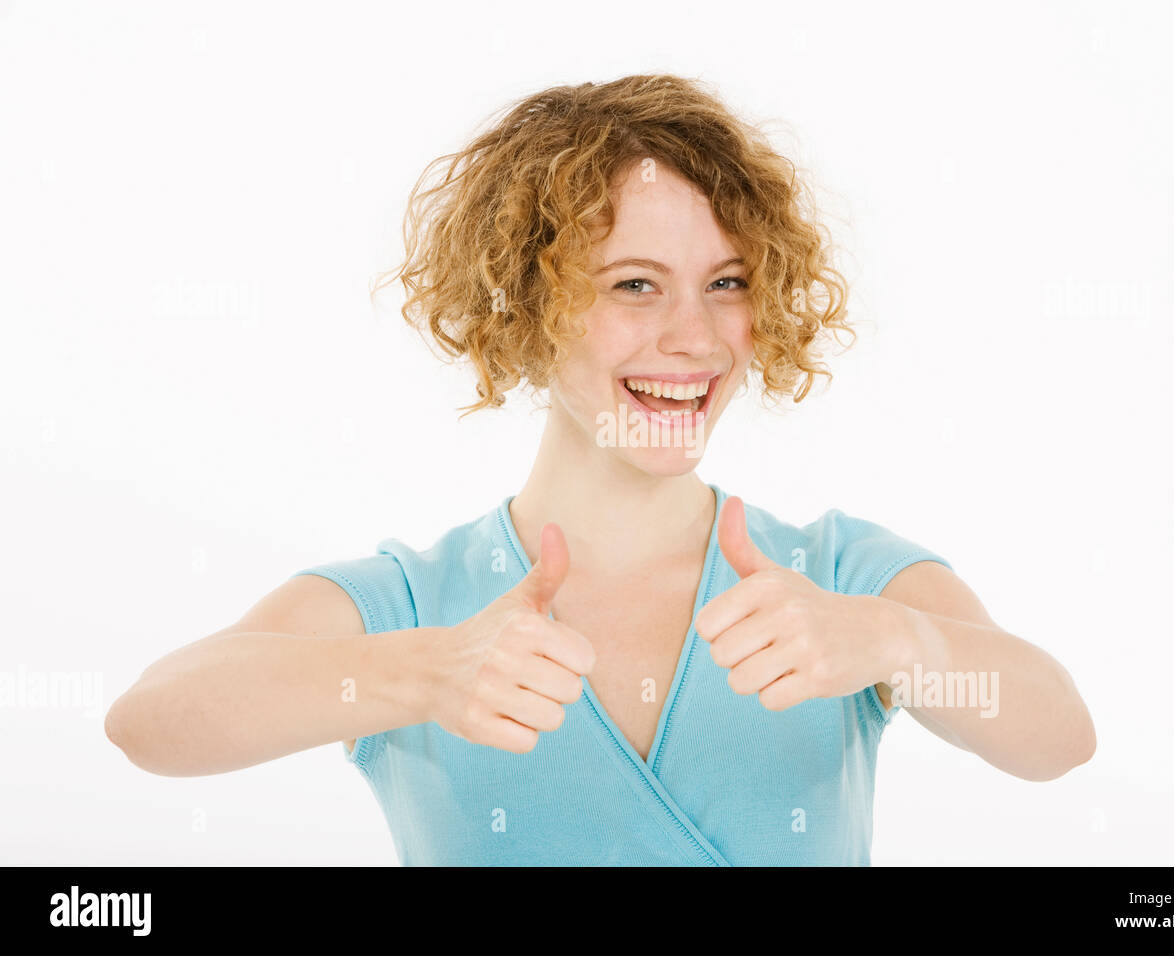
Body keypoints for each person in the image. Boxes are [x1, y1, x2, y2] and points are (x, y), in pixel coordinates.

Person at [105, 74, 1095, 865]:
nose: (694, 334)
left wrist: (897, 641)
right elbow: (153, 719)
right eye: (633, 284)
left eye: (726, 284)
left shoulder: (837, 580)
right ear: (520, 308)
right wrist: (419, 673)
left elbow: (1057, 737)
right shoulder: (419, 603)